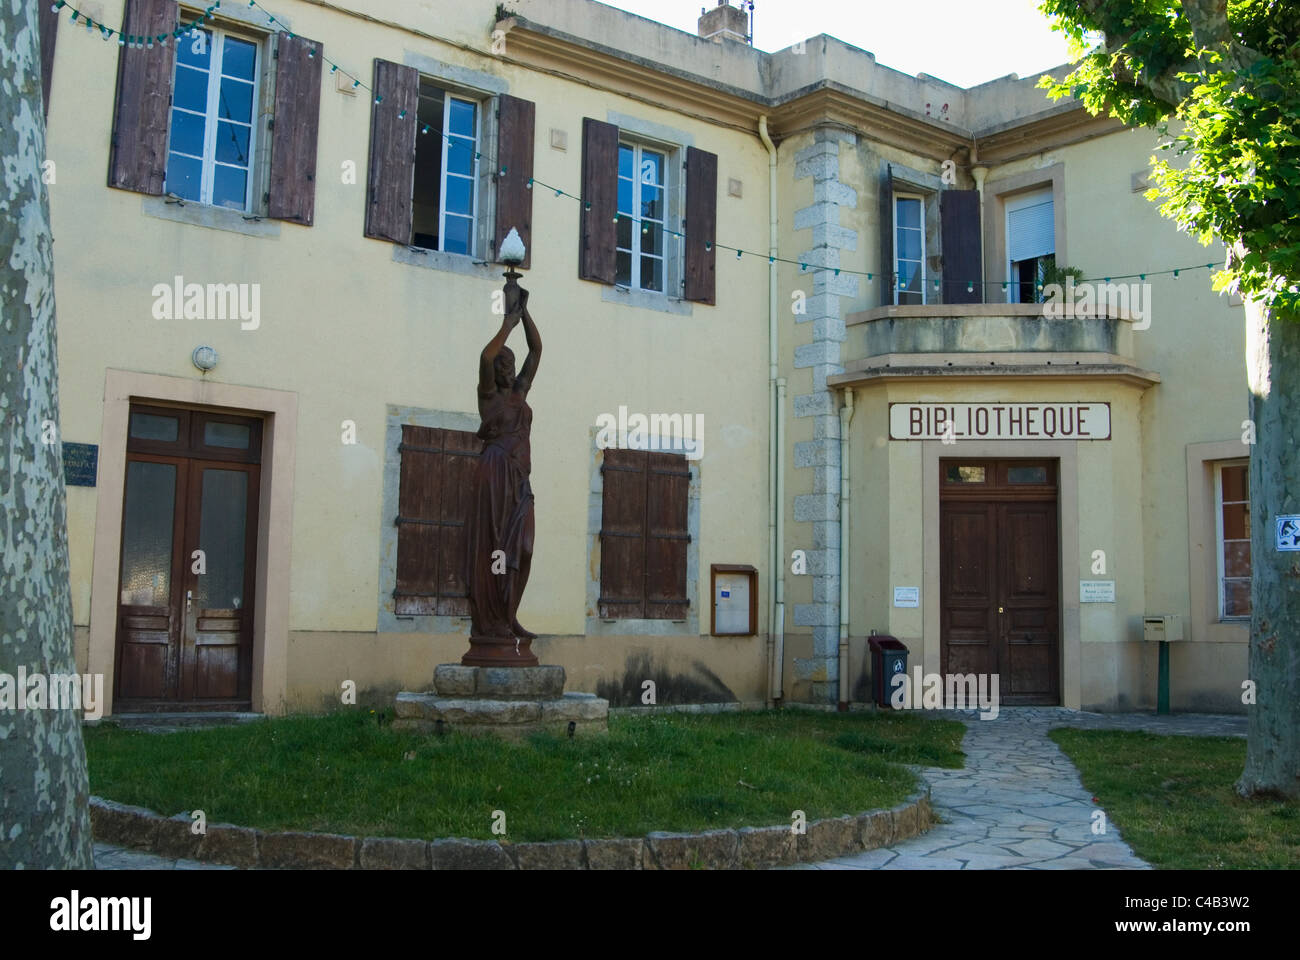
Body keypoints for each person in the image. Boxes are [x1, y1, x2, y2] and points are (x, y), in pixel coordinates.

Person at [464, 278, 541, 664]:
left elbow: (538, 349)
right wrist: (506, 323)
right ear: (496, 371)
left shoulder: (519, 394)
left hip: (519, 482)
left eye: (512, 364)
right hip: (494, 477)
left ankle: (509, 615)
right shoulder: (489, 396)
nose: (510, 369)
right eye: (504, 364)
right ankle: (493, 622)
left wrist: (524, 311)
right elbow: (483, 357)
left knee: (523, 548)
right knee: (495, 547)